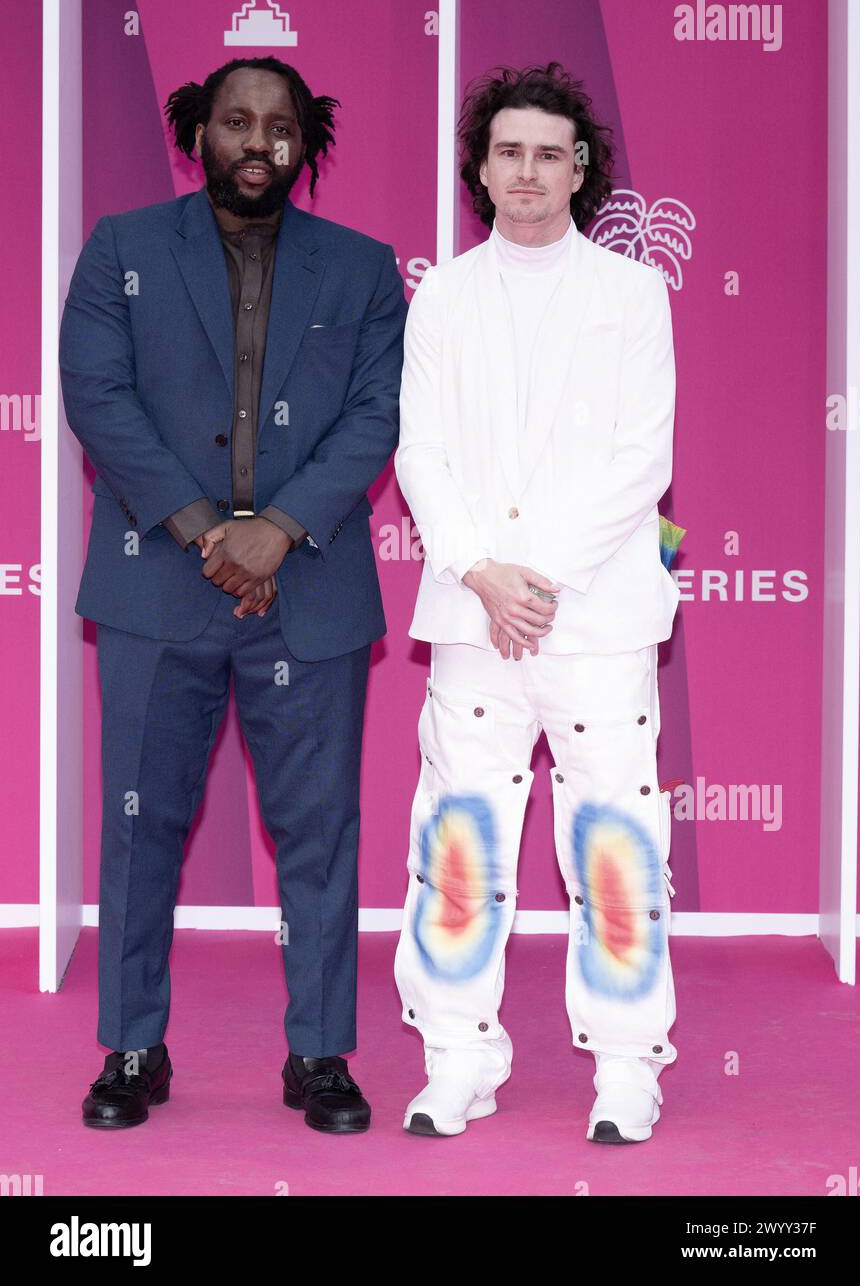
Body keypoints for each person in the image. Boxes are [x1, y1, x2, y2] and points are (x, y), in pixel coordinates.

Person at [59, 56, 406, 1134]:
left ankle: (319, 1052)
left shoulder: (361, 267)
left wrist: (277, 531)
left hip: (306, 584)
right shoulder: (121, 249)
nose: (259, 140)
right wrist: (212, 534)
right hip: (159, 584)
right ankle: (131, 1042)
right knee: (138, 825)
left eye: (281, 125)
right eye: (237, 121)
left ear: (307, 143)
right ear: (196, 131)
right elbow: (97, 398)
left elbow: (374, 413)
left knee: (318, 829)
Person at [393, 61, 680, 1142]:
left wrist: (536, 581)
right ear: (479, 166)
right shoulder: (441, 295)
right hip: (473, 617)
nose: (526, 170)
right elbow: (419, 448)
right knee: (459, 839)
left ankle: (623, 1064)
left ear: (579, 169)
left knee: (612, 839)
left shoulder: (630, 292)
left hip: (594, 616)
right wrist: (480, 571)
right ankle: (459, 1055)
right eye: (506, 150)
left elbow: (637, 458)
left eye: (547, 153)